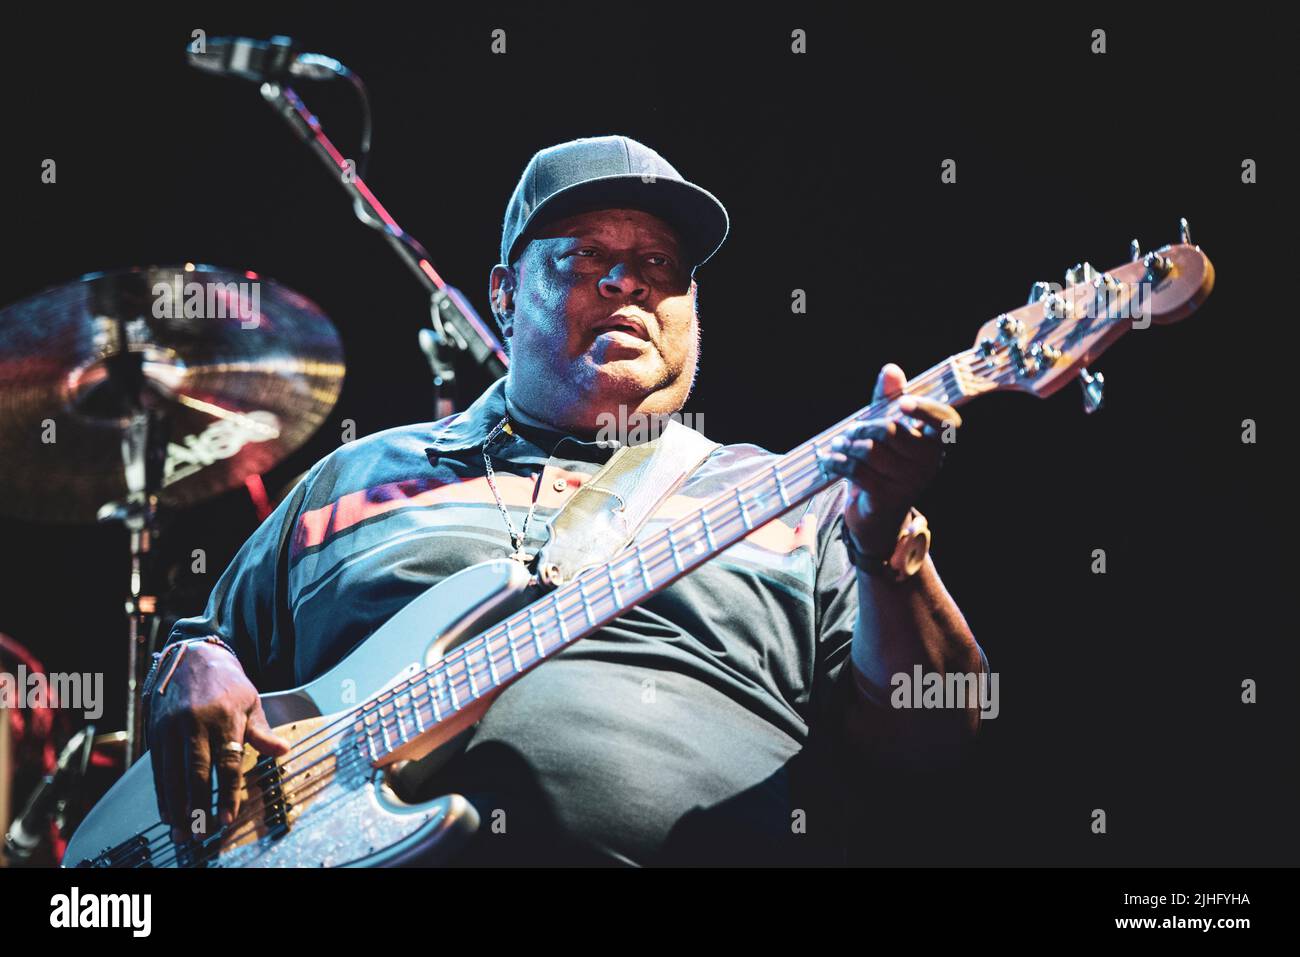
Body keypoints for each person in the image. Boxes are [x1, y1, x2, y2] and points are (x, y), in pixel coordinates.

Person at [149, 135, 989, 865]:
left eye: (661, 264)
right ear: (505, 294)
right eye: (586, 255)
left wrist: (888, 547)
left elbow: (940, 731)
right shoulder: (358, 476)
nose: (628, 281)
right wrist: (195, 659)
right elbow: (211, 642)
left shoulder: (792, 499)